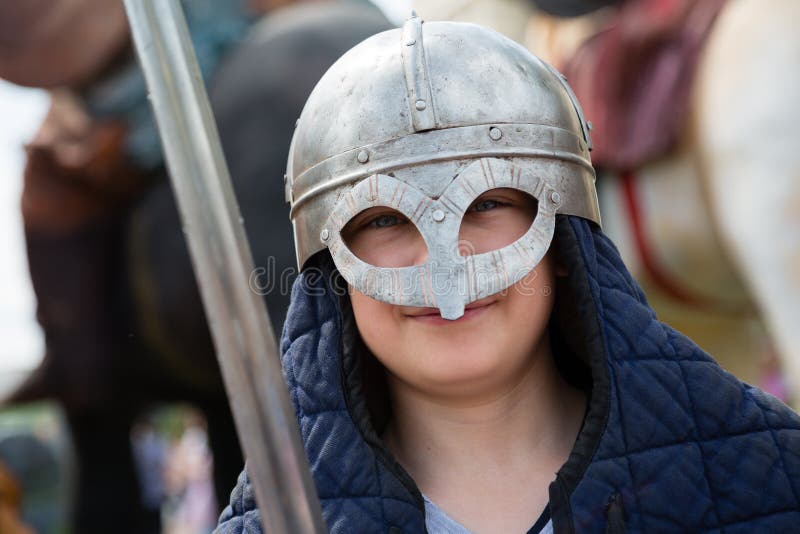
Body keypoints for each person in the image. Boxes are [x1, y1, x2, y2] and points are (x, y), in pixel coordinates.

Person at [216, 16, 800, 534]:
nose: (444, 264)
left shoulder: (775, 477)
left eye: (488, 204)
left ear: (565, 241)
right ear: (331, 269)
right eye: (385, 218)